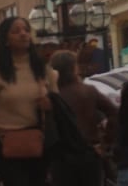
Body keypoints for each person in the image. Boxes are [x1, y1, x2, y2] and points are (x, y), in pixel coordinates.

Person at [0, 17, 56, 186]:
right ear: (6, 40)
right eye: (16, 31)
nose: (23, 34)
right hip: (8, 146)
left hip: (40, 145)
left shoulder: (42, 69)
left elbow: (59, 105)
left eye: (26, 30)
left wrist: (50, 105)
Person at [50, 49, 116, 186]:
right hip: (90, 151)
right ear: (74, 68)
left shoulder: (52, 96)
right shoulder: (88, 91)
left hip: (61, 156)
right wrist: (107, 140)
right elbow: (114, 113)